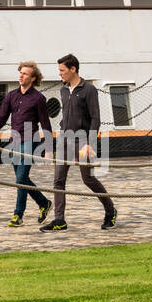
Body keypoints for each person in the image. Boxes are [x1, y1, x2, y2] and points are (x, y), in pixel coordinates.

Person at [41, 54, 116, 232]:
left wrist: (90, 143)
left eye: (62, 70)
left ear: (73, 69)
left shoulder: (89, 89)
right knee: (58, 180)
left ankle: (110, 210)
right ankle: (59, 220)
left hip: (82, 140)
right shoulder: (63, 90)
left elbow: (95, 118)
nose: (60, 74)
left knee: (88, 179)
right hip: (64, 140)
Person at [0, 61, 53, 227]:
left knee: (21, 178)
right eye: (20, 73)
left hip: (31, 141)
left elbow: (45, 124)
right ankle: (44, 203)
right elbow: (1, 116)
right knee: (22, 178)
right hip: (14, 140)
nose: (21, 76)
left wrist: (49, 149)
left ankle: (18, 215)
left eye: (25, 74)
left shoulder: (38, 98)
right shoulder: (11, 96)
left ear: (33, 78)